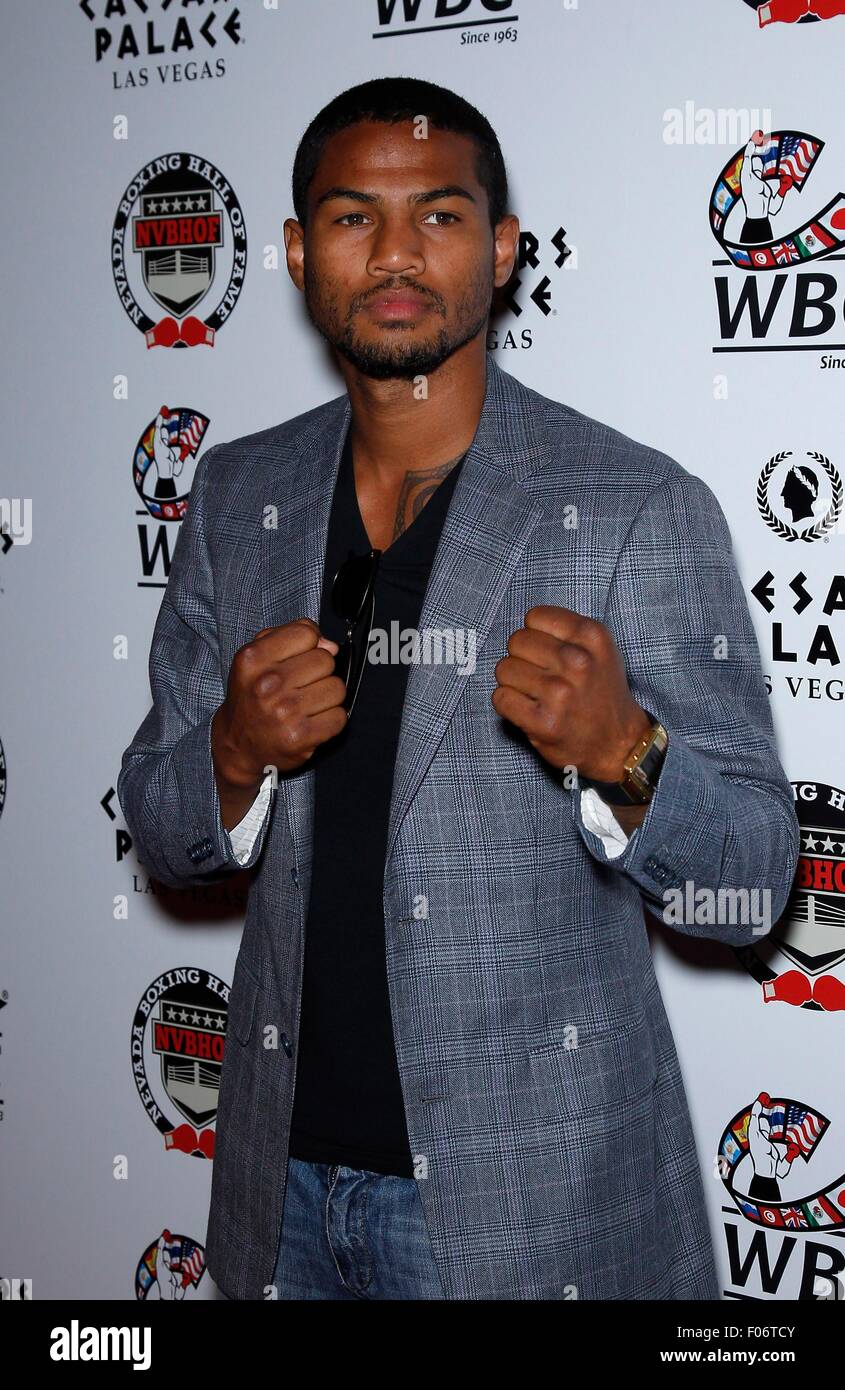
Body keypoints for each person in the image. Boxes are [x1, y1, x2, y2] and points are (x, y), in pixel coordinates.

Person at [118, 77, 800, 1301]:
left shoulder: (636, 504)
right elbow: (164, 832)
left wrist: (627, 754)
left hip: (526, 1214)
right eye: (349, 218)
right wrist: (227, 754)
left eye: (436, 217)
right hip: (277, 1196)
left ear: (499, 251)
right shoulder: (234, 495)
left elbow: (749, 881)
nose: (393, 254)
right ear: (292, 252)